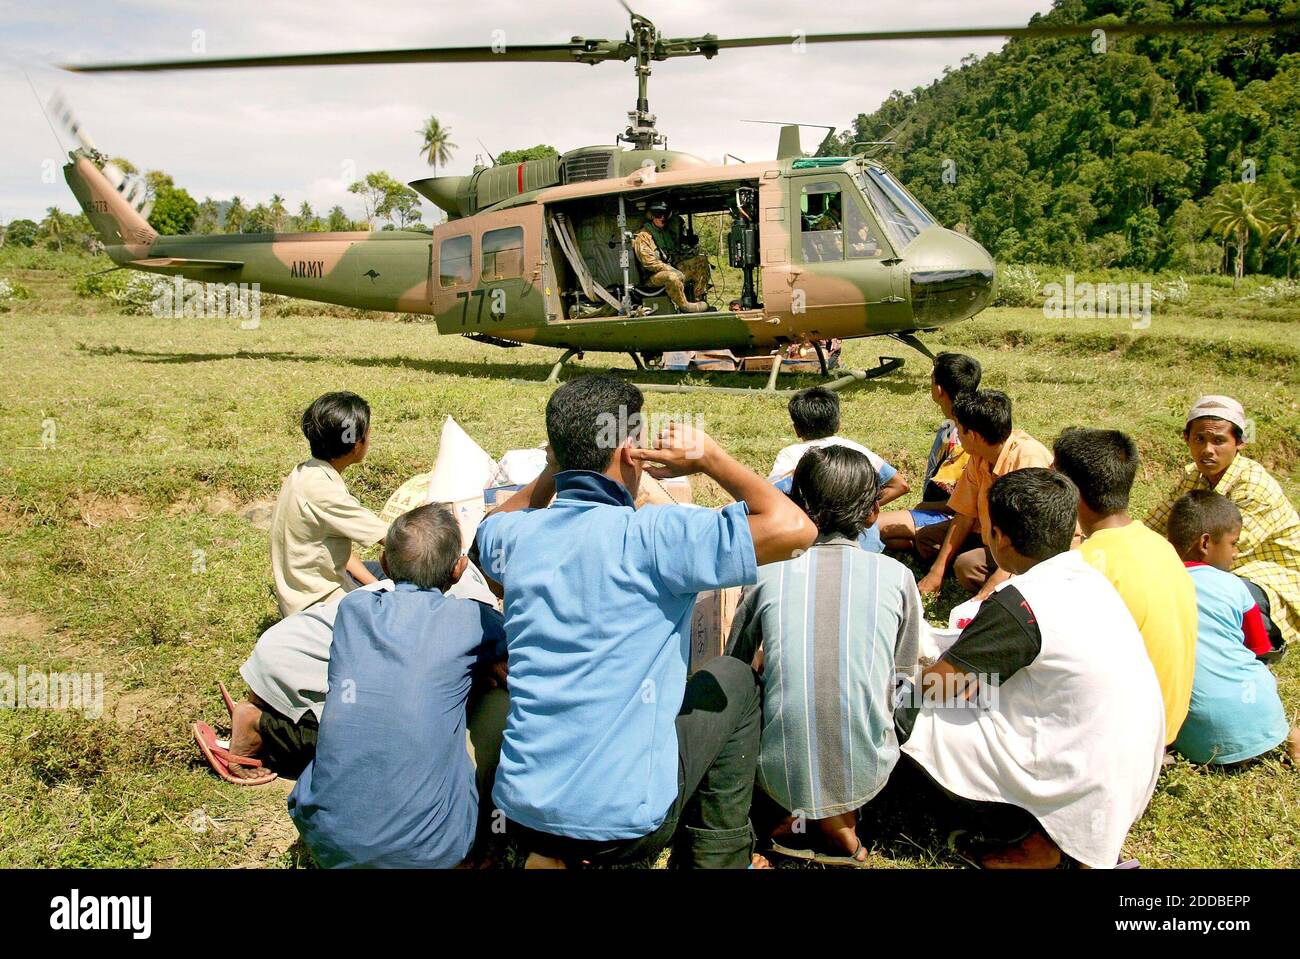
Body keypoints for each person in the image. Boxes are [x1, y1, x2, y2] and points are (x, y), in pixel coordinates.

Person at [475, 375, 816, 869]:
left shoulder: (517, 536)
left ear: (557, 450)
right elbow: (795, 529)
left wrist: (553, 471)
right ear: (629, 452)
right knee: (736, 679)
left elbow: (485, 533)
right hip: (625, 826)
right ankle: (717, 856)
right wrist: (710, 458)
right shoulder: (657, 534)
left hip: (522, 811)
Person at [898, 469, 1165, 869]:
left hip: (1075, 775)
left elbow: (936, 687)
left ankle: (1027, 837)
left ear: (1000, 537)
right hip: (1125, 769)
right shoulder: (1088, 578)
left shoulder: (1021, 602)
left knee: (903, 705)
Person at [727, 446, 923, 866]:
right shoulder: (898, 576)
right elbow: (905, 680)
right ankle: (838, 822)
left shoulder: (766, 572)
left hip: (772, 770)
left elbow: (735, 668)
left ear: (797, 505)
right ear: (873, 513)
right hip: (870, 766)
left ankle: (797, 817)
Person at [286, 504, 509, 868]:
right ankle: (481, 853)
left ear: (385, 566)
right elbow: (508, 651)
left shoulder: (352, 610)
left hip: (327, 843)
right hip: (431, 853)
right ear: (459, 569)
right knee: (497, 707)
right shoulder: (471, 618)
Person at [1052, 428, 1198, 746]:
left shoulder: (1085, 565)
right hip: (1165, 730)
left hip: (1118, 740)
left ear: (1069, 489)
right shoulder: (1160, 546)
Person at [1147, 395, 1298, 658]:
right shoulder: (1193, 476)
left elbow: (1225, 556)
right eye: (1200, 439)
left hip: (1268, 576)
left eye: (1219, 441)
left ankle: (1259, 645)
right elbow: (1155, 524)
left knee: (1215, 592)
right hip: (1213, 569)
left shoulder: (1254, 487)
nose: (1207, 450)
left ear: (1239, 443)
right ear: (1187, 439)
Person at [1165, 491, 1299, 765]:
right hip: (1266, 717)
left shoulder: (1158, 584)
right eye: (1233, 544)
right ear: (1205, 543)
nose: (1236, 554)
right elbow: (1260, 649)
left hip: (1202, 744)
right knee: (1260, 672)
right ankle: (1288, 738)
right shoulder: (1236, 586)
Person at [916, 390, 1052, 597]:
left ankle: (1006, 586)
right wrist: (937, 571)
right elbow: (964, 515)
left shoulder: (1028, 458)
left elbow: (1031, 537)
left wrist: (982, 599)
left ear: (973, 435)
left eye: (960, 430)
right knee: (926, 538)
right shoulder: (979, 455)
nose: (958, 438)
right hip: (990, 535)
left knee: (967, 566)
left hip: (1025, 544)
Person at [269, 392, 389, 617]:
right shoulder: (324, 492)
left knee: (383, 576)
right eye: (368, 433)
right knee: (411, 586)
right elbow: (396, 539)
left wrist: (372, 583)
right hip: (319, 607)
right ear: (356, 445)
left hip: (304, 589)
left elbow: (335, 552)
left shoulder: (304, 473)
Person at [768, 387, 907, 553]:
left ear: (797, 429)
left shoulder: (790, 455)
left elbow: (772, 497)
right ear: (837, 423)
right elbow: (900, 485)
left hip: (812, 546)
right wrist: (858, 509)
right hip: (866, 545)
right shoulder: (857, 450)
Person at [879, 352, 981, 552]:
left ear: (939, 389)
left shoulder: (962, 437)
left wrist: (923, 507)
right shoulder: (953, 424)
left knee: (869, 527)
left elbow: (959, 505)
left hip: (951, 518)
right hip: (942, 511)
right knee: (892, 540)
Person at [632, 200, 709, 313]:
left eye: (665, 215)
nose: (662, 218)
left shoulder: (665, 233)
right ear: (651, 216)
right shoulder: (643, 237)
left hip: (671, 269)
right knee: (672, 277)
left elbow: (674, 255)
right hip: (652, 278)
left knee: (701, 261)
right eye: (659, 215)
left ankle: (698, 298)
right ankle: (685, 306)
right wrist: (672, 269)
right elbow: (649, 263)